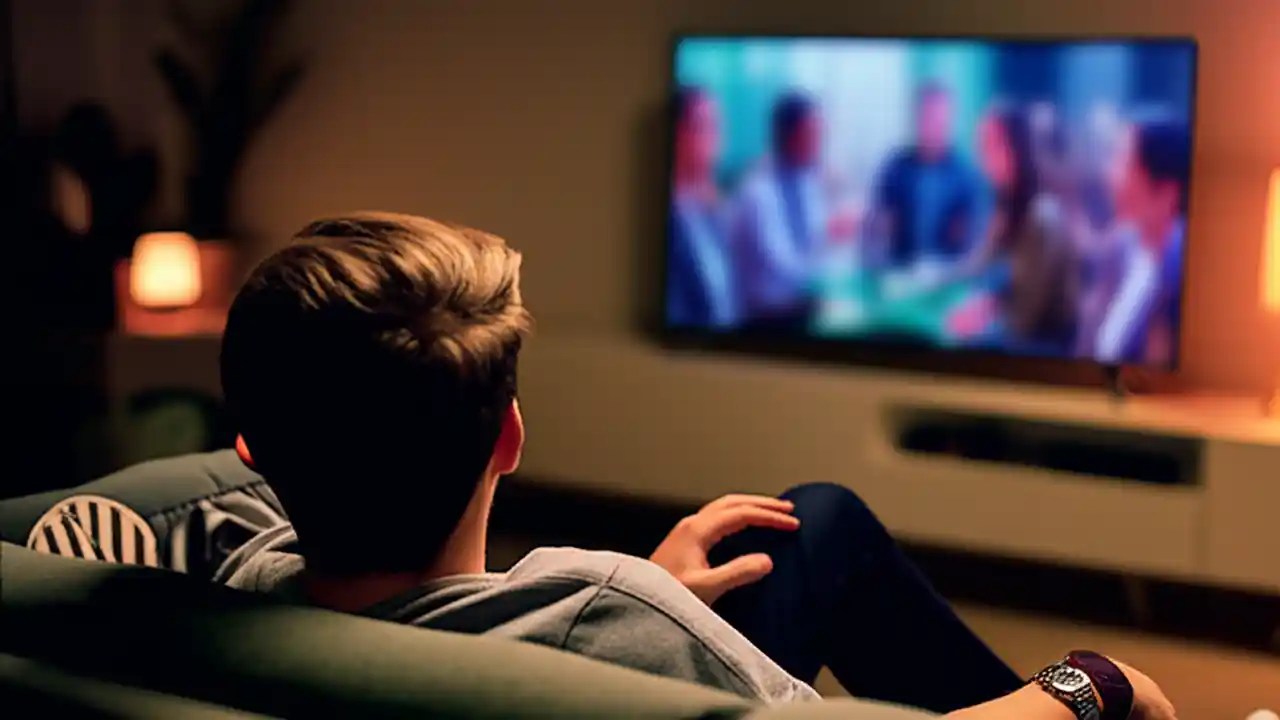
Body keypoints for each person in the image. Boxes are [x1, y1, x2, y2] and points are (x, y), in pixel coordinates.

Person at [218, 212, 1176, 719]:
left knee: (813, 520)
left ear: (252, 452)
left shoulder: (228, 584)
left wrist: (654, 582)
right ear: (510, 438)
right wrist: (1093, 683)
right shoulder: (612, 618)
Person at [947, 106, 1079, 355]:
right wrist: (928, 279)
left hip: (1045, 350)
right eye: (981, 146)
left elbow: (1025, 319)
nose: (983, 157)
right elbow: (978, 266)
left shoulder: (1042, 215)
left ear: (1015, 147)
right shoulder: (1005, 205)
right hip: (1015, 331)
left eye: (991, 145)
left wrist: (982, 320)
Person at [1092, 118, 1190, 366]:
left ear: (1166, 192)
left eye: (1123, 161)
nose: (1109, 174)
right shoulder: (1124, 250)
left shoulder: (1179, 275)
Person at [867, 82, 991, 273]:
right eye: (928, 117)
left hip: (949, 277)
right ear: (917, 118)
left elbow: (975, 240)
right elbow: (876, 228)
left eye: (940, 118)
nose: (934, 126)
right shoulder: (895, 168)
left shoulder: (967, 176)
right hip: (899, 274)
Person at [731, 92, 828, 330]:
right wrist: (831, 235)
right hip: (764, 317)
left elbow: (817, 244)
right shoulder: (757, 191)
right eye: (812, 133)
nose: (819, 142)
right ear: (789, 137)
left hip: (797, 304)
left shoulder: (805, 181)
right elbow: (784, 266)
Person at [667, 86, 737, 328]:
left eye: (716, 126)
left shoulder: (712, 209)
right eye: (704, 126)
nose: (715, 138)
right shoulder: (670, 219)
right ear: (677, 134)